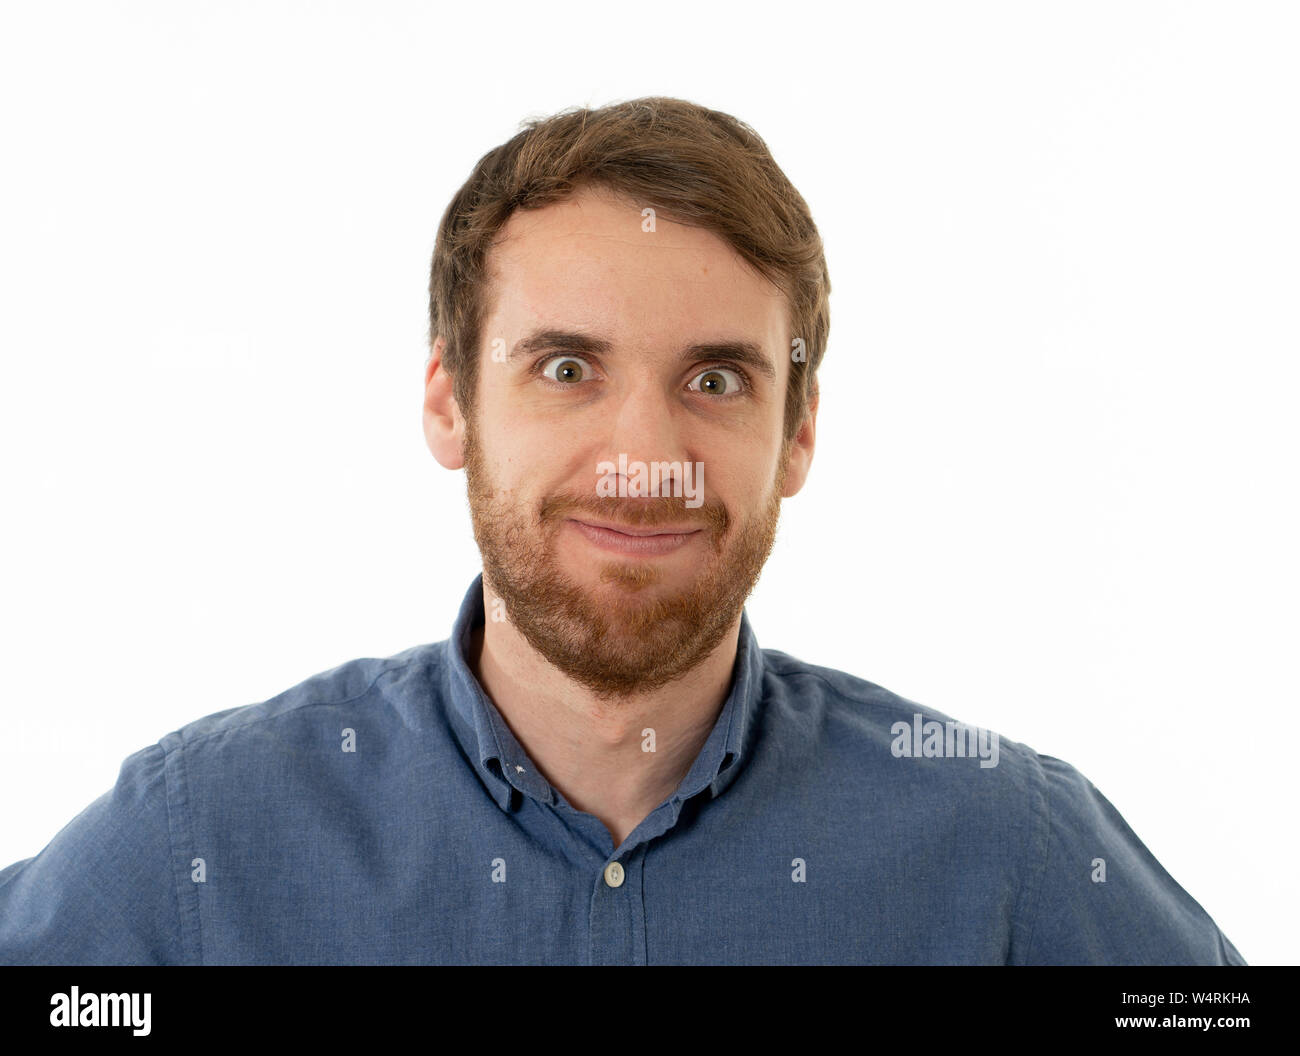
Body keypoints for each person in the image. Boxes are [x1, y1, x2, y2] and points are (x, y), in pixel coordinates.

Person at [0, 97, 1244, 965]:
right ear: (448, 401)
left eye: (714, 381)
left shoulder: (1005, 851)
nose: (643, 458)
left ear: (797, 432)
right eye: (564, 368)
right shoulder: (201, 843)